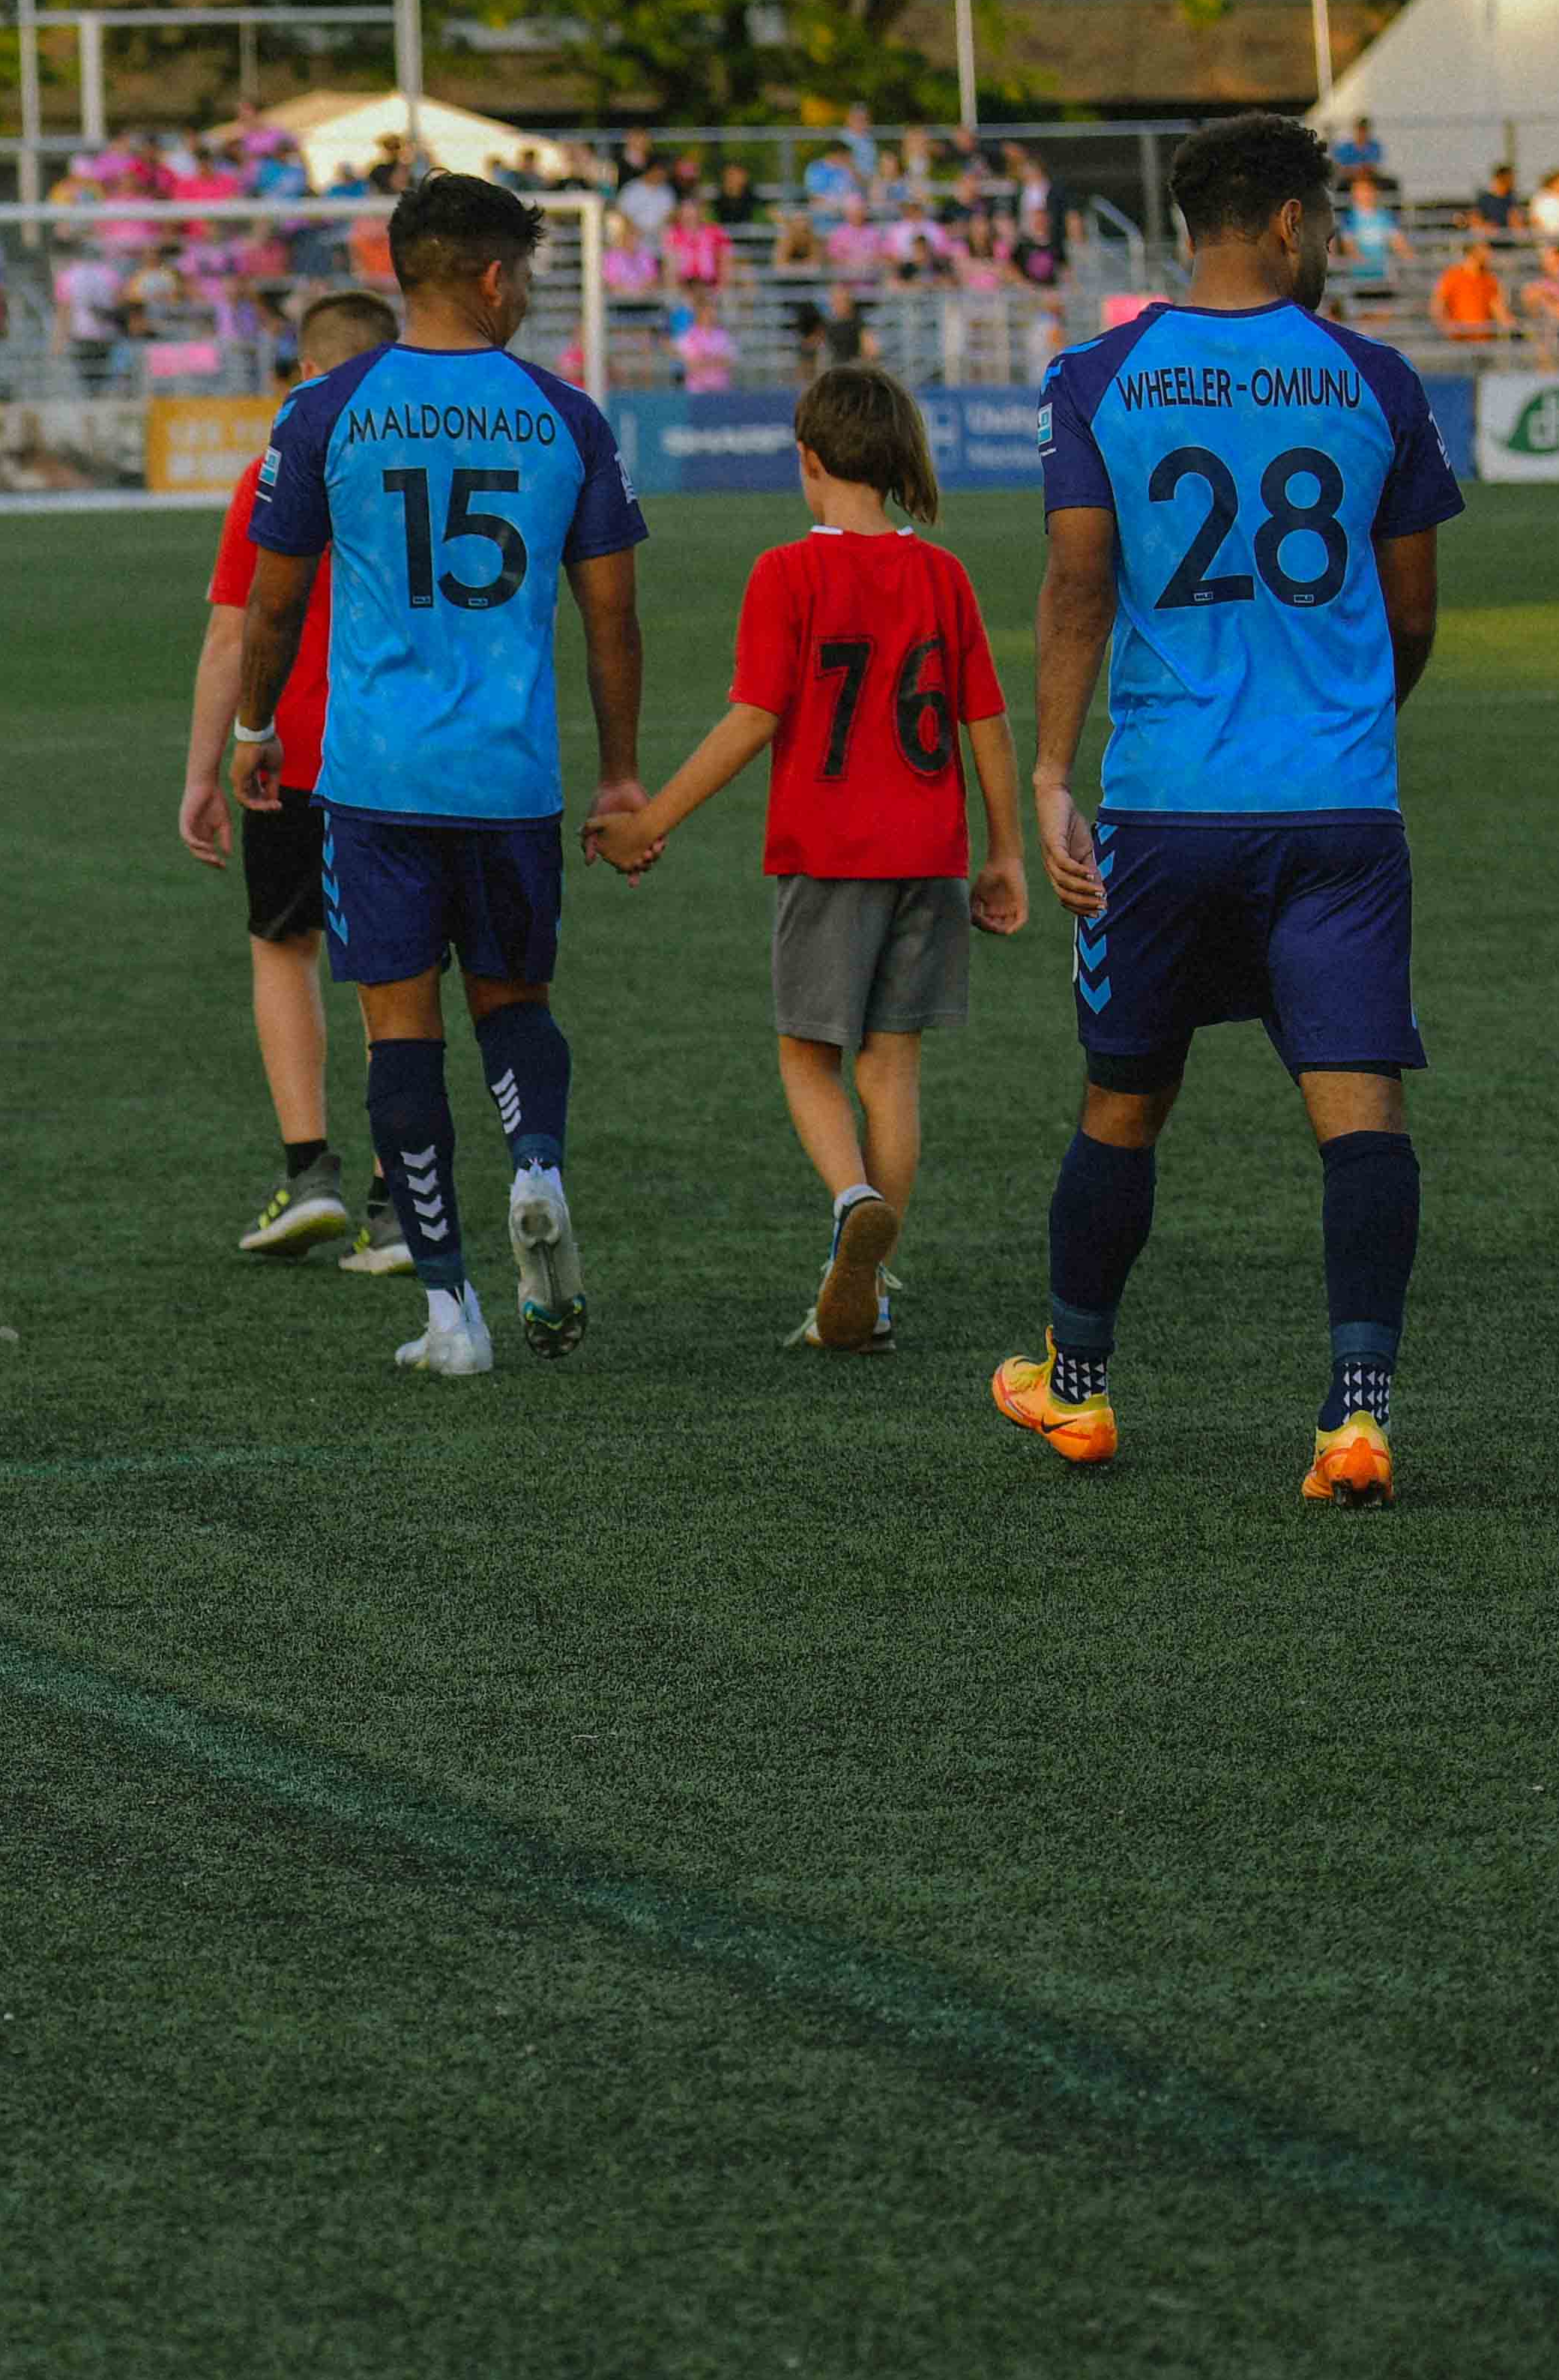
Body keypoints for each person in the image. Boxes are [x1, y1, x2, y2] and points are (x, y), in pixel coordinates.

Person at [1002, 109, 1462, 1506]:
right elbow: (1412, 613)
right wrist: (1339, 723)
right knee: (1360, 1109)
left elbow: (1080, 588)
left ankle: (1077, 1391)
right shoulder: (1372, 375)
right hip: (1334, 806)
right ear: (1285, 225)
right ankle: (1355, 1416)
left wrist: (1051, 774)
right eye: (1318, 219)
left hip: (1165, 805)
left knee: (1123, 1102)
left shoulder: (1098, 376)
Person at [222, 172, 648, 1381]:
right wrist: (618, 774)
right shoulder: (567, 415)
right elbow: (611, 614)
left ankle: (451, 1308)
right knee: (515, 1005)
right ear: (497, 277)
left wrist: (256, 728)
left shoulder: (326, 409)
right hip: (510, 778)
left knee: (396, 1031)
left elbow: (276, 597)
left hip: (378, 781)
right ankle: (539, 1163)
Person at [597, 364, 1029, 1351]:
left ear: (808, 461)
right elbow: (989, 726)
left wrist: (650, 817)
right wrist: (1004, 854)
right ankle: (866, 1286)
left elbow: (753, 720)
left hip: (830, 851)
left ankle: (849, 1203)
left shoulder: (787, 574)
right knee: (893, 1072)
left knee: (806, 1058)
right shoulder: (944, 575)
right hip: (932, 854)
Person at [176, 287, 399, 1262]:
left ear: (301, 375)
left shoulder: (272, 472)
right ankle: (402, 1201)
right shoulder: (409, 467)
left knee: (283, 947)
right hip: (394, 754)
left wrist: (200, 772)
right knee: (393, 976)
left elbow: (234, 631)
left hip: (288, 752)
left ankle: (309, 1169)